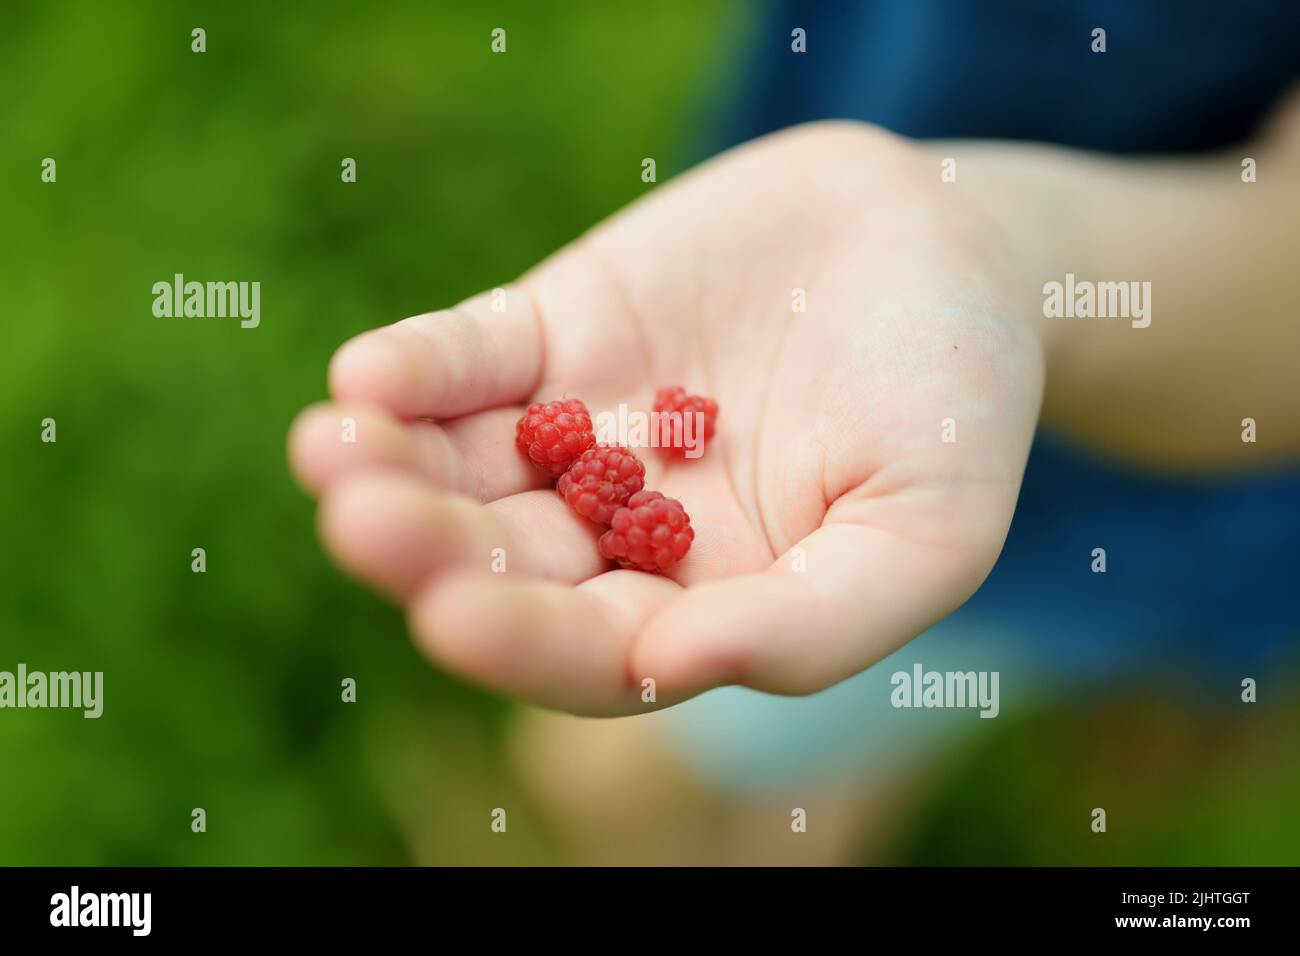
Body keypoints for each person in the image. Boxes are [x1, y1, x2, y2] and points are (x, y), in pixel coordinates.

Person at [288, 2, 1300, 862]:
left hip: (1138, 476)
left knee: (616, 777)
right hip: (856, 223)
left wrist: (1001, 257)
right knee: (853, 723)